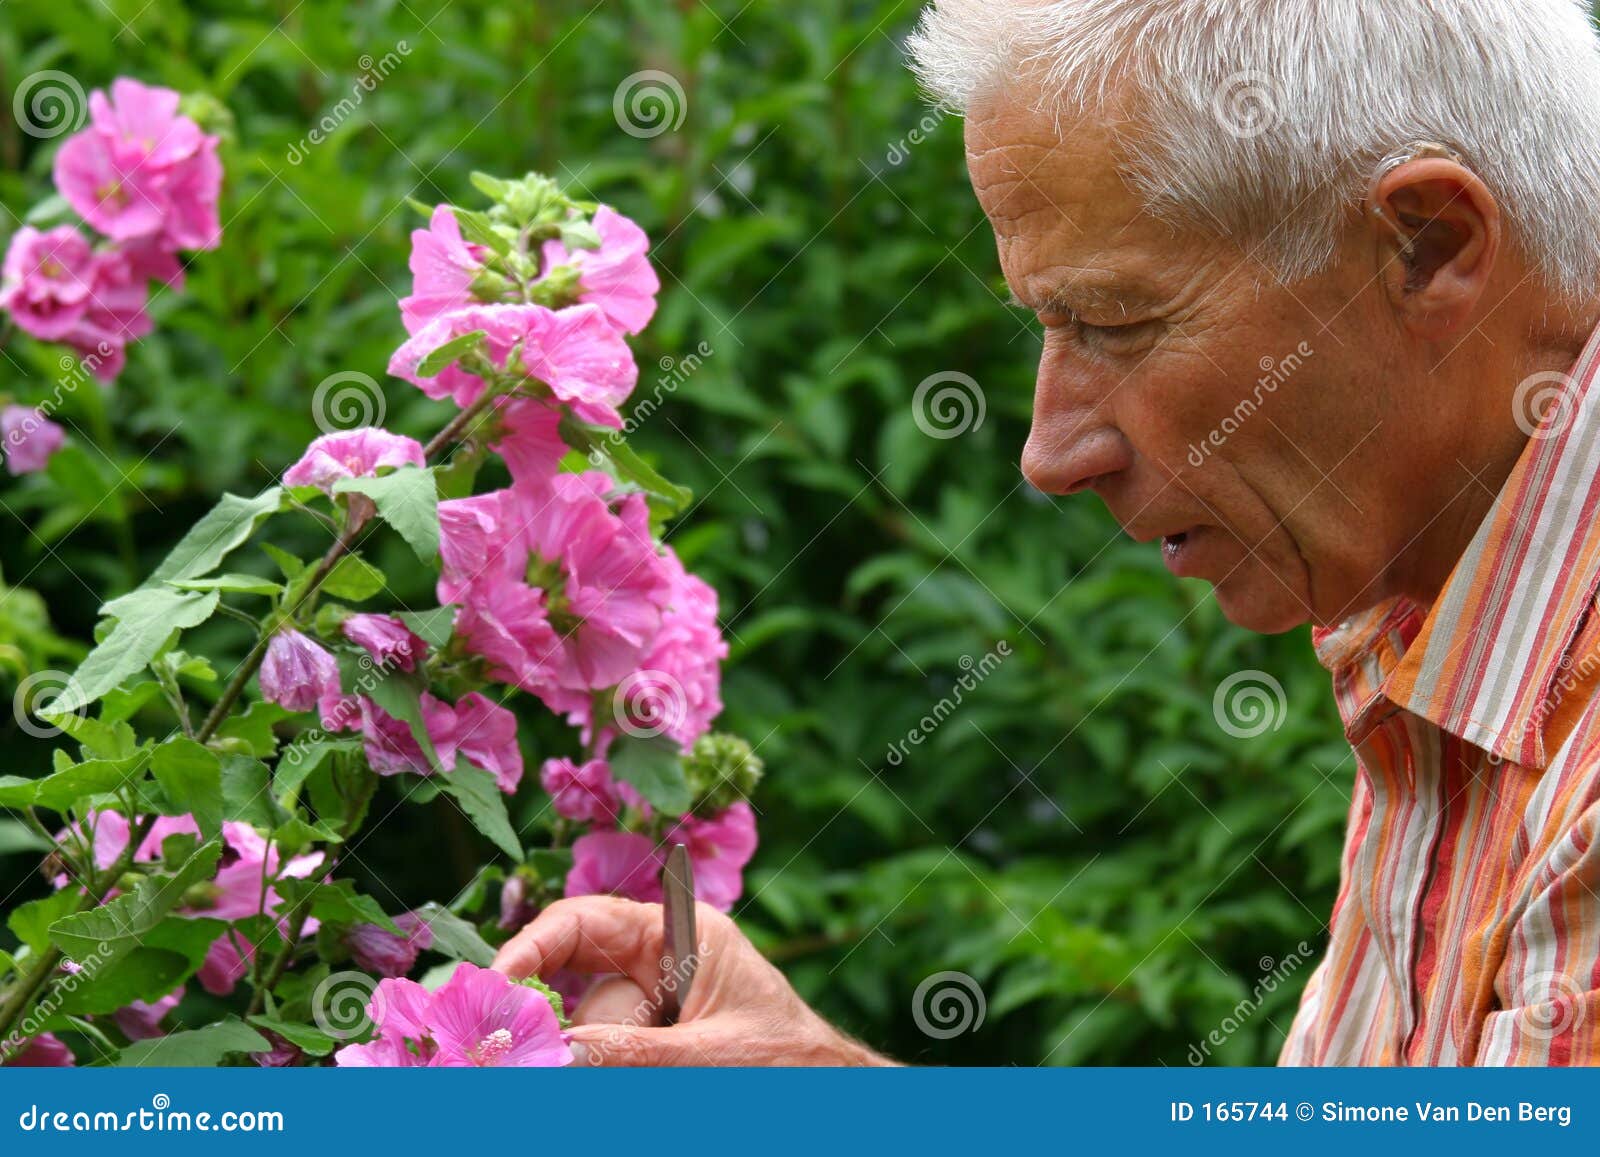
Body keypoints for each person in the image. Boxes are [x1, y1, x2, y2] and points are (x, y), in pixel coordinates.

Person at [496, 0, 1600, 1065]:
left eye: (1115, 321)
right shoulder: (1437, 622)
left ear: (1425, 244)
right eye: (1048, 325)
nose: (1050, 452)